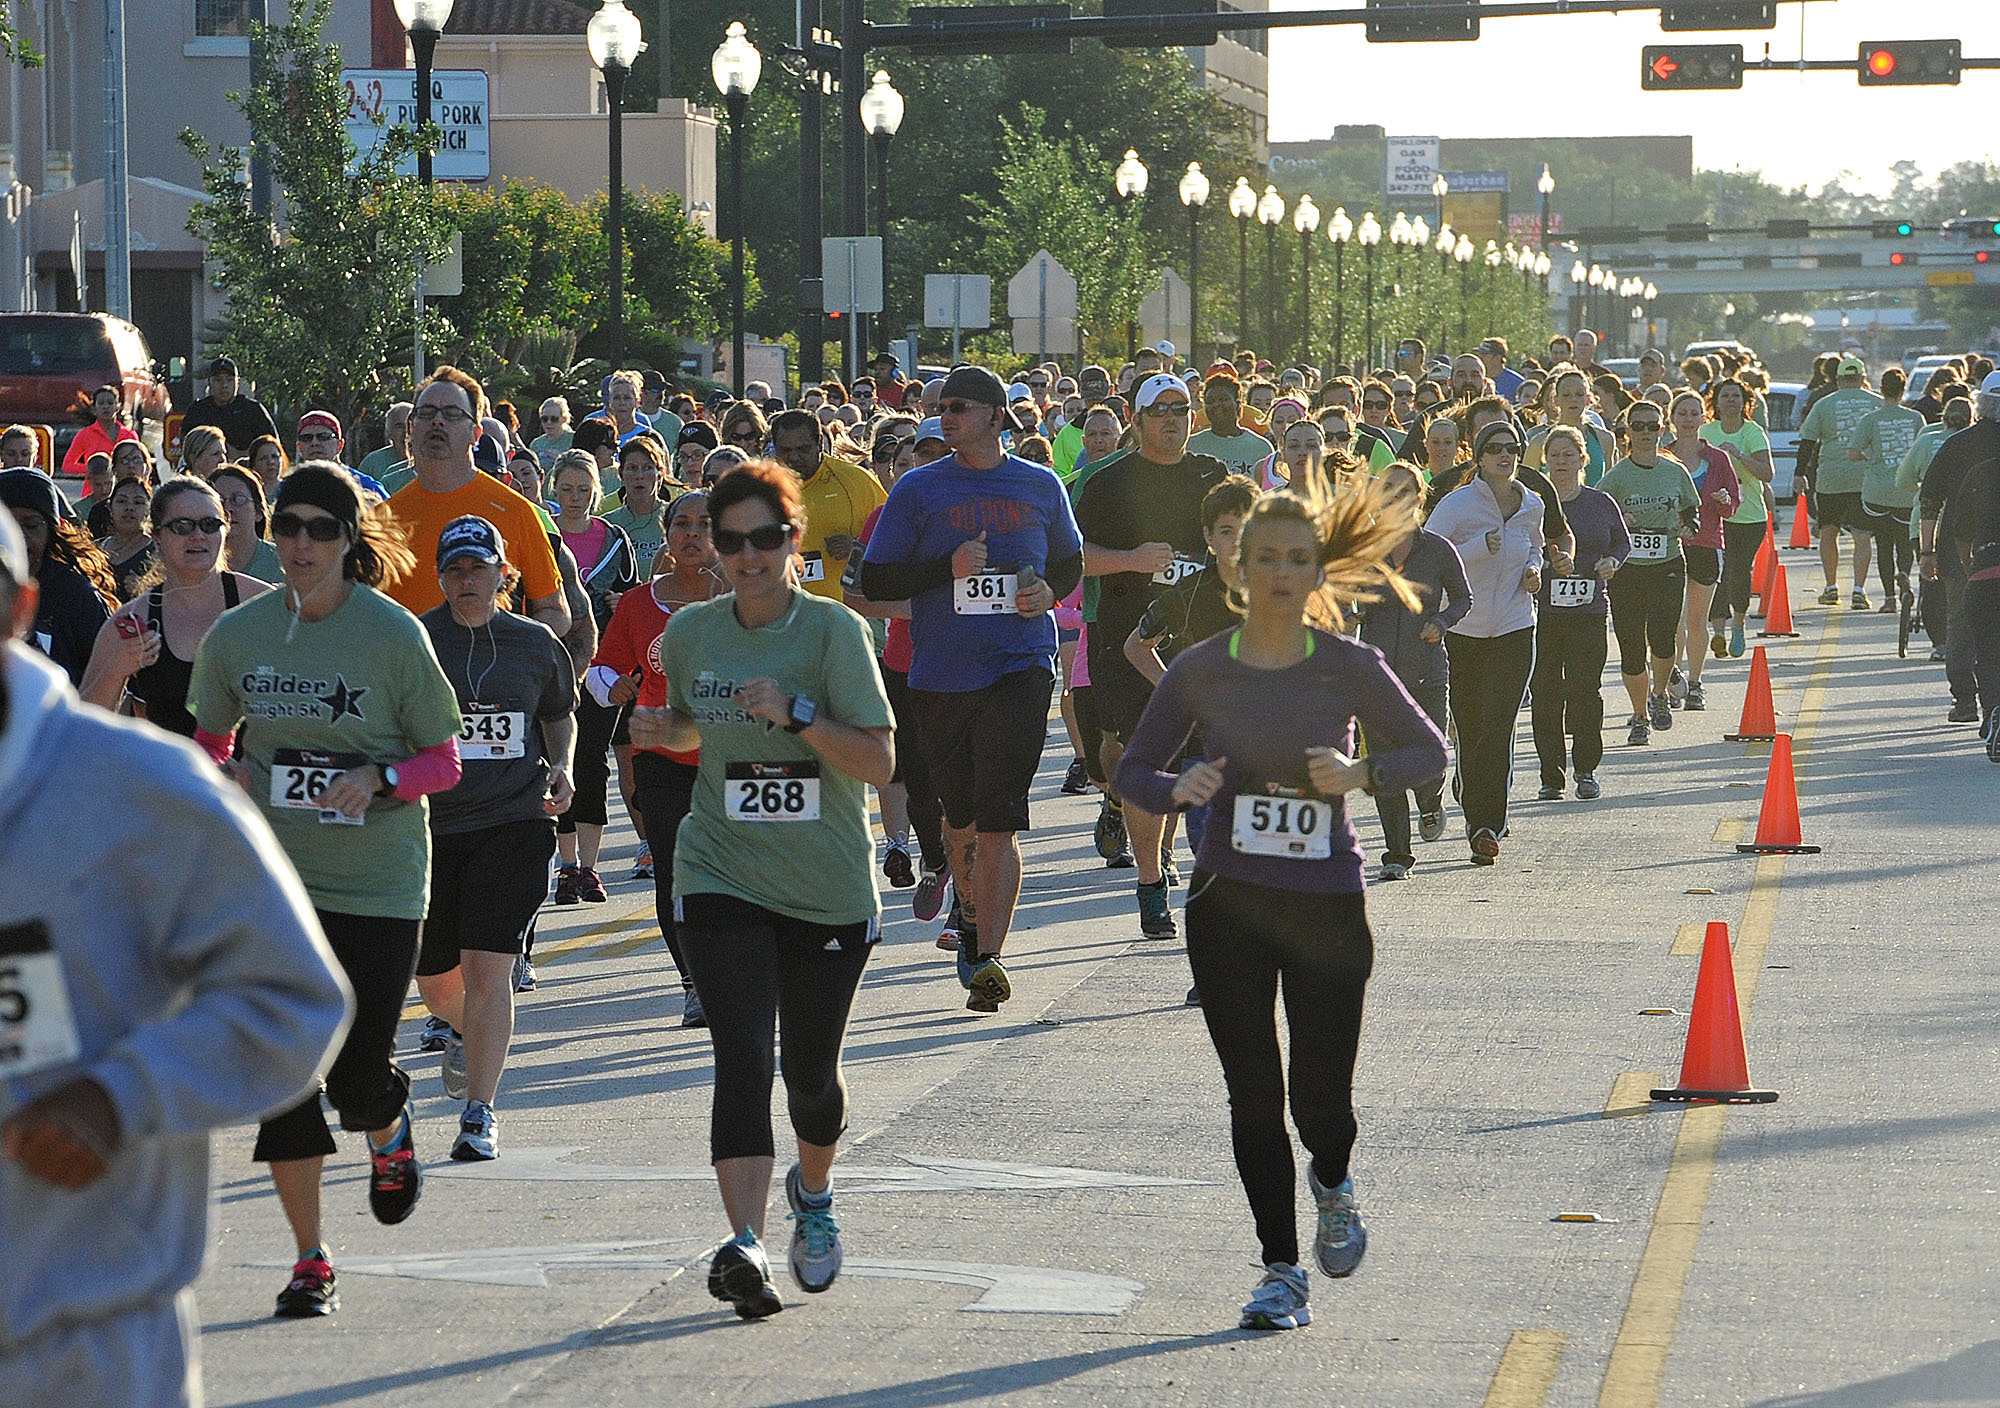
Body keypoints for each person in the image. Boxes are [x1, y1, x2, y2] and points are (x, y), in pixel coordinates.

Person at [0, 505, 351, 1408]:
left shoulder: (135, 789)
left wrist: (119, 1097)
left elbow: (292, 998)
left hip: (82, 1348)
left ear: (21, 607)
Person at [1113, 467, 1448, 1333]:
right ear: (1239, 567)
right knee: (1253, 1095)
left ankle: (1332, 1182)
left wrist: (1362, 772)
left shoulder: (1349, 663)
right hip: (1229, 902)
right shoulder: (1199, 669)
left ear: (1316, 572)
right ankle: (1279, 1269)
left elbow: (1429, 752)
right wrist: (1178, 781)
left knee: (1320, 1103)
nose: (1279, 573)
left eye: (1297, 559)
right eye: (1264, 557)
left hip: (1325, 902)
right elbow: (1133, 772)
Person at [187, 463, 464, 1318]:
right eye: (288, 526)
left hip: (379, 883)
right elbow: (208, 738)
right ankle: (311, 1257)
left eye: (320, 529)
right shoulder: (240, 634)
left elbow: (443, 760)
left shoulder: (391, 634)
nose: (301, 543)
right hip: (276, 882)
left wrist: (379, 776)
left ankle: (386, 1123)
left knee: (353, 1074)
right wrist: (222, 778)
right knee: (285, 1077)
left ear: (350, 542)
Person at [627, 461, 895, 1320]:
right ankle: (743, 1243)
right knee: (742, 1056)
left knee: (811, 1076)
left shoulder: (833, 634)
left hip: (825, 884)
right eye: (729, 538)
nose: (746, 555)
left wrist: (801, 716)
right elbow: (691, 725)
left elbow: (880, 761)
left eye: (765, 538)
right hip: (721, 869)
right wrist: (658, 727)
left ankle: (811, 1194)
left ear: (792, 541)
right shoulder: (696, 635)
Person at [859, 365, 1083, 1009]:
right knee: (959, 816)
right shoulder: (919, 491)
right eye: (940, 407)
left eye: (957, 406)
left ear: (994, 414)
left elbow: (1068, 563)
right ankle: (967, 909)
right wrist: (947, 568)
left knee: (999, 821)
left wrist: (1048, 593)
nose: (944, 416)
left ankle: (988, 955)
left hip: (1020, 663)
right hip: (940, 674)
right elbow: (876, 582)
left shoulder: (1040, 485)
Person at [416, 516, 577, 1162]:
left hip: (515, 822)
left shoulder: (535, 644)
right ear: (440, 579)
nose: (466, 582)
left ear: (503, 575)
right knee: (435, 981)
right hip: (432, 827)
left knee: (489, 968)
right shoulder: (419, 641)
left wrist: (562, 765)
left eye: (478, 569)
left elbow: (558, 714)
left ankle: (480, 1112)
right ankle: (467, 1032)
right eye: (454, 571)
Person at [1075, 372, 1227, 937]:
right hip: (1130, 642)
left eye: (1181, 407)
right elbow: (1075, 559)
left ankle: (1185, 861)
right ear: (1136, 422)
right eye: (1159, 409)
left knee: (1198, 759)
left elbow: (1242, 536)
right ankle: (1151, 879)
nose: (1172, 417)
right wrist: (1132, 560)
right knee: (1146, 759)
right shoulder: (1109, 484)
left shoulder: (1213, 475)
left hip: (1205, 639)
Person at [592, 490, 727, 1024]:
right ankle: (694, 982)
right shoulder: (638, 603)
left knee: (732, 872)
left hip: (728, 759)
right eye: (681, 524)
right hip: (660, 757)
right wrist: (615, 687)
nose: (691, 533)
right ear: (667, 535)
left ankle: (740, 970)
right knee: (673, 871)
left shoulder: (742, 601)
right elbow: (601, 670)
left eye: (703, 524)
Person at [1424, 423, 1547, 862]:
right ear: (1478, 457)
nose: (1504, 455)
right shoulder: (1456, 505)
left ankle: (1485, 825)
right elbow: (1429, 556)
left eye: (1511, 448)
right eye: (1494, 449)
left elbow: (1535, 547)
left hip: (1516, 625)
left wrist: (1535, 569)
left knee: (1499, 726)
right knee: (1471, 727)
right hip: (1463, 630)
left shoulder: (1531, 503)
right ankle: (1471, 791)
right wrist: (1478, 547)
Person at [382, 366, 570, 636]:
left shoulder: (516, 511)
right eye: (426, 413)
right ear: (411, 429)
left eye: (452, 414)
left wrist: (511, 647)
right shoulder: (383, 519)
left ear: (475, 433)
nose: (438, 421)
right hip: (409, 675)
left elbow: (555, 613)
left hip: (492, 672)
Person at [81, 475, 272, 735]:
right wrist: (117, 669)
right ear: (156, 537)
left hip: (249, 773)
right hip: (169, 773)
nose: (198, 536)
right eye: (182, 526)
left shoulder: (260, 604)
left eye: (210, 525)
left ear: (224, 530)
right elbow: (83, 725)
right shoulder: (134, 620)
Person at [1355, 463, 1467, 877]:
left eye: (1406, 492)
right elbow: (1346, 596)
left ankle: (1431, 798)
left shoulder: (1437, 549)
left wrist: (1440, 622)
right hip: (1378, 673)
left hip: (1427, 671)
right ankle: (1397, 856)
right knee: (1386, 765)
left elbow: (1462, 598)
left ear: (1420, 498)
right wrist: (1352, 616)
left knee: (1429, 759)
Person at [1530, 427, 1629, 800]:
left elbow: (1622, 541)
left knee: (1586, 690)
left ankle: (1586, 768)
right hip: (1544, 614)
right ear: (1545, 461)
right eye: (1554, 455)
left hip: (1588, 609)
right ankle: (1550, 775)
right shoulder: (1533, 503)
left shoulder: (1600, 502)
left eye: (1568, 455)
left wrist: (1611, 562)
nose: (1560, 462)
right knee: (1546, 693)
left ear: (1583, 460)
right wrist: (1542, 565)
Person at [1597, 405, 1702, 745]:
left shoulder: (1675, 471)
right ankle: (1639, 715)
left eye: (1652, 426)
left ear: (1661, 429)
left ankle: (1659, 695)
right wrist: (1619, 524)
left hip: (1667, 563)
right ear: (1626, 431)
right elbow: (1597, 516)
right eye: (1638, 426)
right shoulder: (1616, 476)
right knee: (1630, 646)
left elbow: (1691, 508)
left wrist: (1689, 525)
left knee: (1662, 636)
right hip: (1628, 571)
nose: (1645, 432)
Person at [1919, 377, 2000, 730]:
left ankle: (1966, 699)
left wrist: (1927, 550)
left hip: (1963, 549)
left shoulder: (1957, 444)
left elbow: (1929, 500)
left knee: (1962, 624)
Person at [1, 468, 115, 684]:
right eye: (9, 526)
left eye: (31, 525)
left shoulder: (77, 594)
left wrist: (49, 675)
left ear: (51, 531)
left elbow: (107, 678)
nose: (19, 537)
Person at [1664, 390, 1739, 713]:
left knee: (1697, 620)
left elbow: (1734, 504)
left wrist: (1723, 500)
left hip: (1707, 544)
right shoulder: (1662, 456)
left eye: (1694, 414)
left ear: (1703, 418)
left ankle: (1695, 684)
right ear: (1672, 418)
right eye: (1682, 413)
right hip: (1669, 547)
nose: (1688, 420)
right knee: (1672, 620)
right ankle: (1669, 681)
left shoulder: (1717, 459)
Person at [769, 409, 886, 602]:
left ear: (820, 444)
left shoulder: (855, 481)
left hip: (843, 612)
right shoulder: (762, 488)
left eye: (803, 449)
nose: (794, 458)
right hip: (782, 613)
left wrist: (855, 550)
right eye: (785, 451)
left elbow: (894, 540)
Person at [1699, 375, 1775, 659]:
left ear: (1745, 402)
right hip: (1714, 515)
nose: (1730, 401)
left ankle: (1739, 625)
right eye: (1725, 396)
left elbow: (1767, 473)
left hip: (1748, 515)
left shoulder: (1752, 432)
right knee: (1716, 572)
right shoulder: (1706, 431)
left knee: (1738, 570)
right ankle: (1718, 630)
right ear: (1715, 402)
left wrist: (1739, 455)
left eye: (1735, 396)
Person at [1796, 356, 1882, 608]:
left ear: (1837, 380)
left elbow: (1808, 442)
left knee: (1828, 532)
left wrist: (1799, 473)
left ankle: (1831, 587)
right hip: (1865, 478)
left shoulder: (1824, 404)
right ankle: (1858, 590)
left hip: (1831, 478)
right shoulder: (1876, 403)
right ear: (1863, 379)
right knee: (1862, 535)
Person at [1852, 368, 1925, 617]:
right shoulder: (1916, 418)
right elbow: (1921, 452)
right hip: (1906, 491)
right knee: (1904, 541)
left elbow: (1852, 452)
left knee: (1884, 545)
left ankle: (1889, 598)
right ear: (1903, 390)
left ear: (1880, 389)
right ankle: (1904, 573)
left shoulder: (1870, 420)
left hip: (1877, 493)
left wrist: (1870, 456)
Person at [180, 356, 279, 459]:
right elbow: (185, 445)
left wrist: (240, 455)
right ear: (208, 382)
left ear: (238, 382)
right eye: (218, 380)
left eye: (230, 380)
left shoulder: (253, 410)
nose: (224, 385)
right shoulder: (198, 411)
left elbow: (273, 445)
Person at [1187, 373, 1274, 475]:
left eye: (1223, 399)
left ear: (1238, 404)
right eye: (1210, 401)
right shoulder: (1191, 445)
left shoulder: (1261, 448)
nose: (1216, 405)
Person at [211, 464, 284, 584]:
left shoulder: (283, 562)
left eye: (238, 499)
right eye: (219, 501)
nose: (228, 509)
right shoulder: (198, 564)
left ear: (258, 512)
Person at [96, 470, 157, 599]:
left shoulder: (157, 553)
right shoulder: (98, 549)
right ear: (110, 508)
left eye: (138, 502)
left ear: (148, 511)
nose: (129, 508)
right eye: (122, 501)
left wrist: (144, 589)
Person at [60, 383, 141, 478]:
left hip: (122, 489)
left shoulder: (130, 435)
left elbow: (139, 464)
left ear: (117, 407)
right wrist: (96, 469)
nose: (106, 407)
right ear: (94, 408)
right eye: (101, 403)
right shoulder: (85, 435)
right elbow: (67, 465)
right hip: (94, 489)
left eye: (110, 403)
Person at [357, 402, 413, 485]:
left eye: (410, 425)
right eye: (399, 427)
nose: (406, 433)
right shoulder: (372, 464)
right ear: (388, 432)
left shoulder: (431, 461)